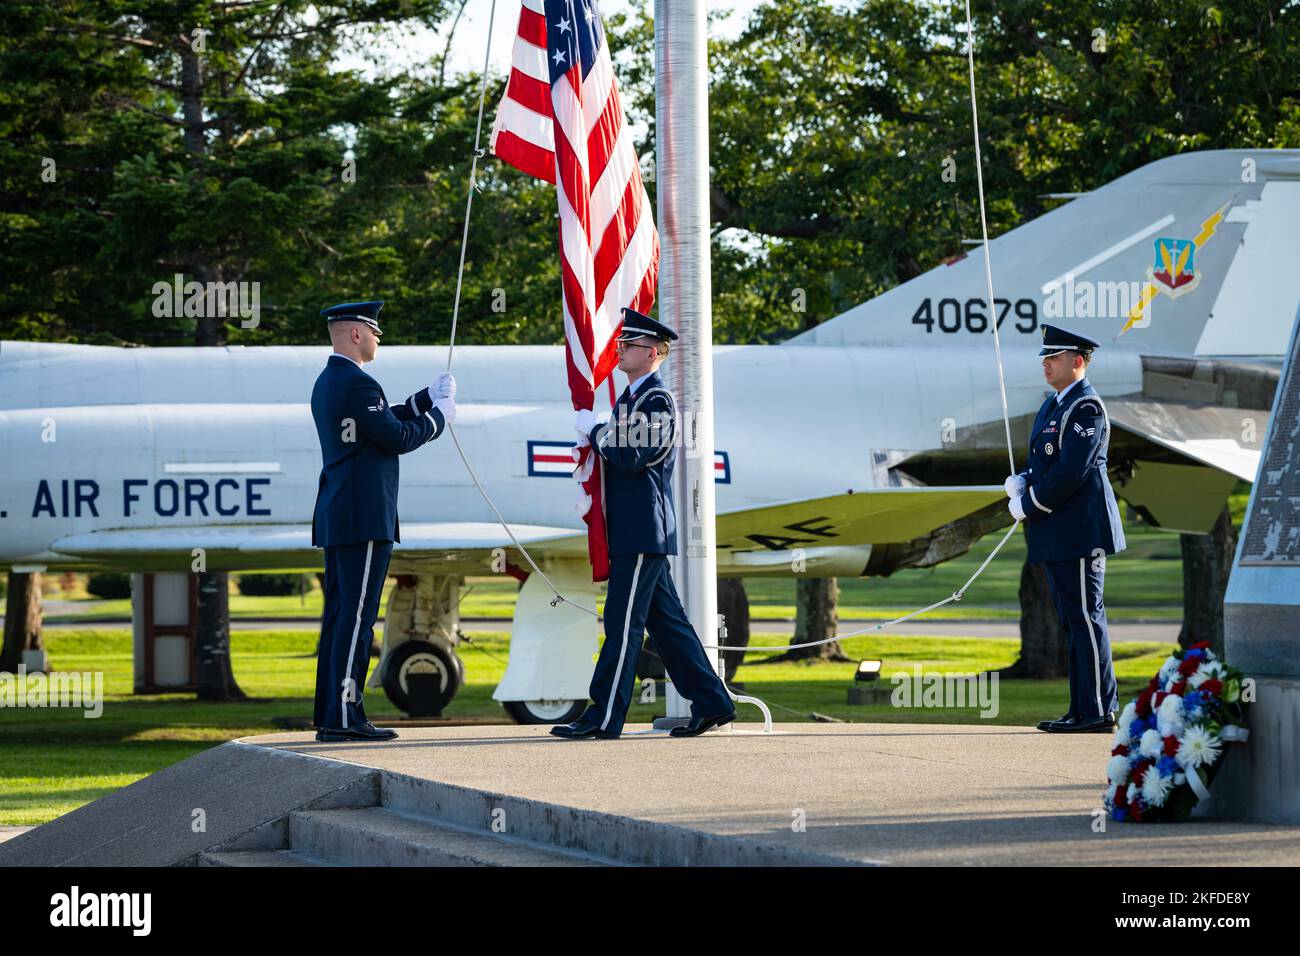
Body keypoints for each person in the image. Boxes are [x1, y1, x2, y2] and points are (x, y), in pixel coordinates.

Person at [551, 308, 736, 739]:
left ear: (652, 353)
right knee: (668, 626)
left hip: (643, 531)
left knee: (622, 624)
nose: (620, 349)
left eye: (628, 344)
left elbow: (633, 455)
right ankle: (712, 703)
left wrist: (597, 432)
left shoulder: (657, 400)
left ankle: (603, 717)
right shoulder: (630, 399)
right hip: (632, 530)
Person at [310, 300, 456, 742]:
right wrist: (437, 420)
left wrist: (425, 399)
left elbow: (383, 419)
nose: (378, 338)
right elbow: (394, 436)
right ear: (355, 333)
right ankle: (346, 717)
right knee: (356, 620)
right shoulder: (358, 384)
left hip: (341, 515)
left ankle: (332, 714)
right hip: (364, 518)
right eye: (374, 330)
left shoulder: (329, 381)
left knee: (340, 617)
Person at [1006, 324, 1126, 733]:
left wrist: (1028, 502)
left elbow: (1072, 472)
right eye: (1045, 357)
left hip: (1080, 531)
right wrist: (1023, 479)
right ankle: (1080, 708)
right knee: (1073, 621)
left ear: (1077, 361)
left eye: (1054, 357)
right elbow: (1045, 463)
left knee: (1086, 618)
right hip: (1058, 531)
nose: (1046, 363)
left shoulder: (1085, 407)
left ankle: (1097, 711)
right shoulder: (1053, 404)